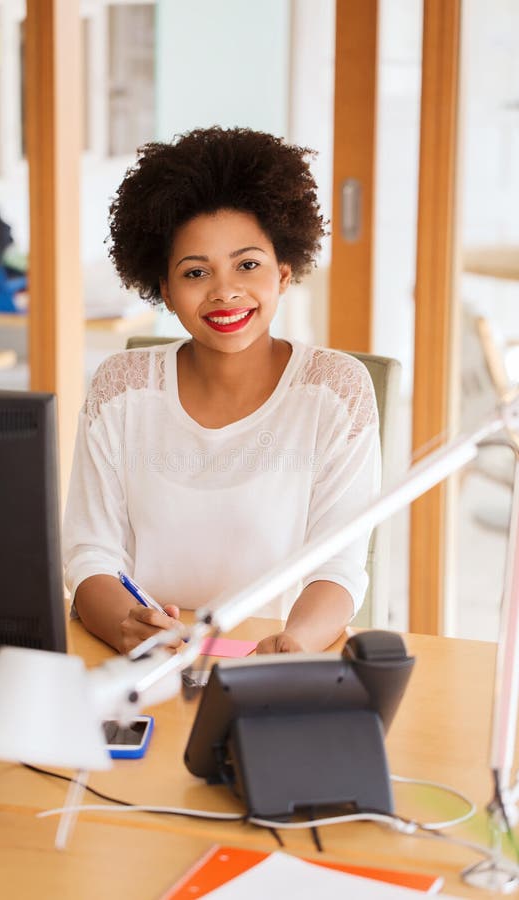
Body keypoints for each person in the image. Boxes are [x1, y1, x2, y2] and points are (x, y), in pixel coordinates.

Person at [63, 126, 380, 656]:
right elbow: (90, 556)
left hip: (272, 669)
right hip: (142, 669)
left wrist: (294, 644)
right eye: (195, 272)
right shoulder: (120, 391)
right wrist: (127, 626)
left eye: (248, 264)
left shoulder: (335, 392)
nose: (224, 290)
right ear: (164, 288)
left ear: (283, 271)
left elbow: (338, 566)